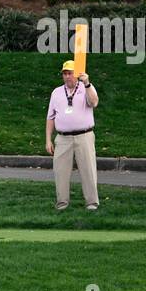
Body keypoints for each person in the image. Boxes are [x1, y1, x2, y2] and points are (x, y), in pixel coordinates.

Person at [45, 60, 100, 211]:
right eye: (65, 74)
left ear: (76, 74)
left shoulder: (85, 87)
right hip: (62, 138)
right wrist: (48, 140)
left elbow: (94, 102)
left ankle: (92, 203)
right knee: (60, 171)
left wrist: (87, 83)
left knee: (88, 170)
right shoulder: (56, 92)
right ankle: (62, 203)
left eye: (70, 73)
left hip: (84, 136)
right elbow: (50, 117)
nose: (67, 76)